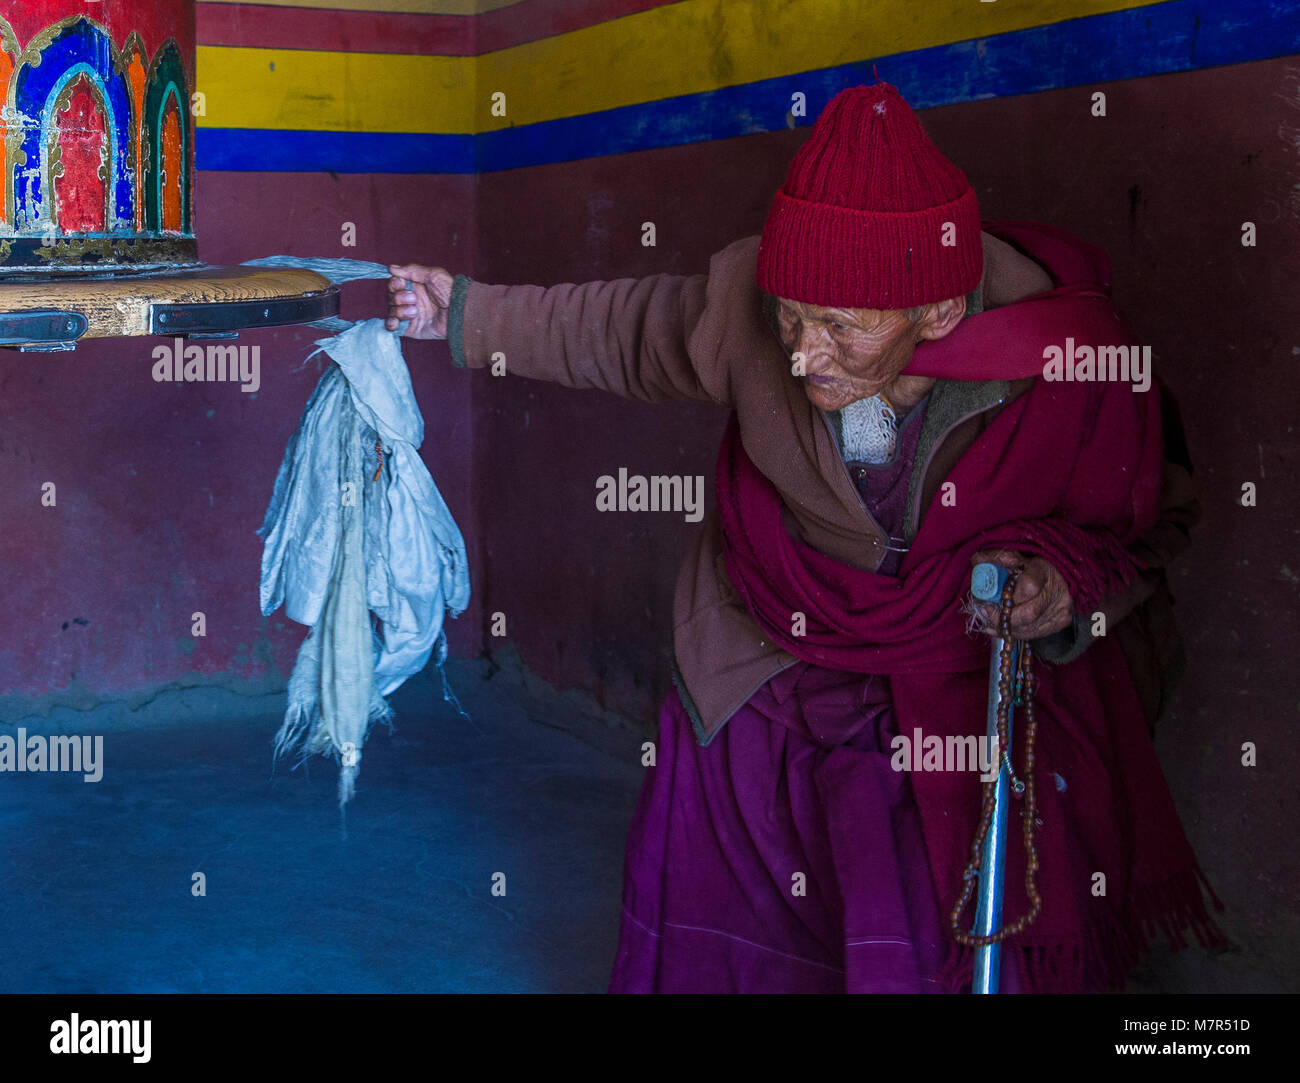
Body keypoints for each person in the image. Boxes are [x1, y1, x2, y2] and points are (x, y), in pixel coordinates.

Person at [385, 81, 1221, 993]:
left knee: (920, 852)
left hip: (959, 666)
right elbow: (628, 329)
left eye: (839, 329)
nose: (801, 355)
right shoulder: (756, 310)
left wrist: (1060, 585)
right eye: (789, 314)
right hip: (778, 630)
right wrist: (461, 313)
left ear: (937, 311)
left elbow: (1147, 522)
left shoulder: (1065, 361)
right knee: (728, 808)